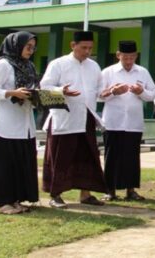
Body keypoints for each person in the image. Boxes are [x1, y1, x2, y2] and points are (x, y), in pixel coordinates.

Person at [40, 30, 106, 208]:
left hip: (86, 117)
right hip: (64, 118)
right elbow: (44, 87)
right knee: (60, 156)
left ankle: (85, 194)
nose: (87, 51)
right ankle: (55, 195)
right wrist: (62, 91)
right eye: (84, 47)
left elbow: (99, 91)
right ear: (73, 45)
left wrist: (108, 92)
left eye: (90, 48)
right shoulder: (58, 64)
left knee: (87, 156)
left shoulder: (94, 66)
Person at [0, 32, 39, 214]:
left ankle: (16, 199)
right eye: (27, 46)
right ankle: (2, 202)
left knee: (20, 162)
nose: (31, 51)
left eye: (33, 47)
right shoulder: (4, 65)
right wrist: (12, 93)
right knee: (5, 164)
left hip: (24, 121)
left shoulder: (28, 66)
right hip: (6, 123)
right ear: (16, 45)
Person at [99, 40, 155, 201]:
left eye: (132, 57)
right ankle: (110, 190)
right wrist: (113, 91)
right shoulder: (108, 72)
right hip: (113, 122)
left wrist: (141, 92)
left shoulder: (142, 72)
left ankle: (131, 190)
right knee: (112, 157)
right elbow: (98, 95)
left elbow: (153, 94)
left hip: (133, 122)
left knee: (131, 157)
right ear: (118, 55)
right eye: (126, 57)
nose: (129, 61)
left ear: (136, 56)